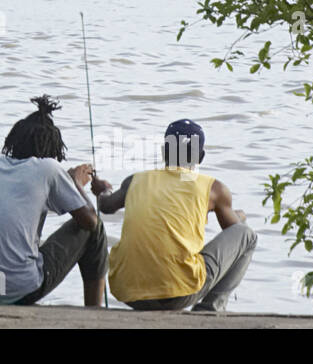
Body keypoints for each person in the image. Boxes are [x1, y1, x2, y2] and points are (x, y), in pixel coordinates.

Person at [0, 95, 110, 305]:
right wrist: (75, 182)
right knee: (95, 230)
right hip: (20, 290)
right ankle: (95, 310)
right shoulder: (48, 168)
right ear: (52, 148)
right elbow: (89, 221)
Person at [100, 118, 257, 312]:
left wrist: (104, 189)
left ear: (164, 151)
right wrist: (239, 216)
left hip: (127, 292)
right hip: (179, 294)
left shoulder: (135, 180)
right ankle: (210, 308)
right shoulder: (214, 189)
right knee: (248, 235)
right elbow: (234, 229)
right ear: (201, 157)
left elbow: (106, 206)